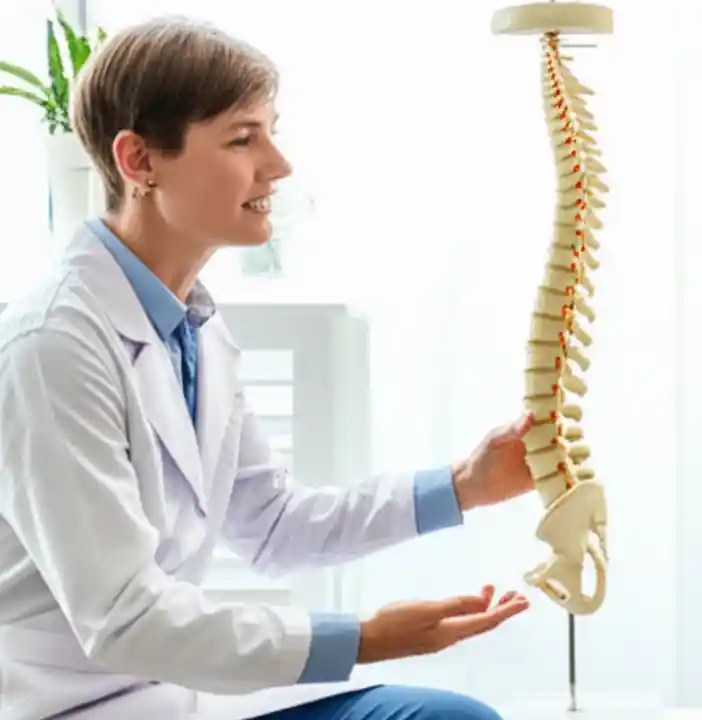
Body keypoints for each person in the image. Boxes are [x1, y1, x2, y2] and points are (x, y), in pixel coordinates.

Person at [0, 16, 539, 720]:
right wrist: (366, 639)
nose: (277, 164)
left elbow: (275, 527)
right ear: (139, 162)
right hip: (75, 705)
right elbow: (123, 618)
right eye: (242, 138)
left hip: (178, 690)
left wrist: (463, 487)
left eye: (271, 131)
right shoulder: (52, 347)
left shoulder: (193, 326)